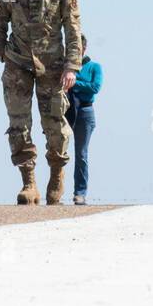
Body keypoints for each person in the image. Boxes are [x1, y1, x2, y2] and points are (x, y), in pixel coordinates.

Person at [0, 0, 82, 205]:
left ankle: (56, 173)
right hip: (17, 64)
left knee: (55, 124)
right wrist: (2, 52)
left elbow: (73, 29)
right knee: (19, 124)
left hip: (52, 67)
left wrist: (71, 66)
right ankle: (28, 182)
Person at [65, 34, 103, 206]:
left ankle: (80, 192)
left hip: (85, 113)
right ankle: (55, 189)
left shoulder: (94, 67)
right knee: (58, 151)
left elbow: (94, 88)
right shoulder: (65, 68)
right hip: (66, 110)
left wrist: (74, 83)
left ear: (84, 48)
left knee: (81, 153)